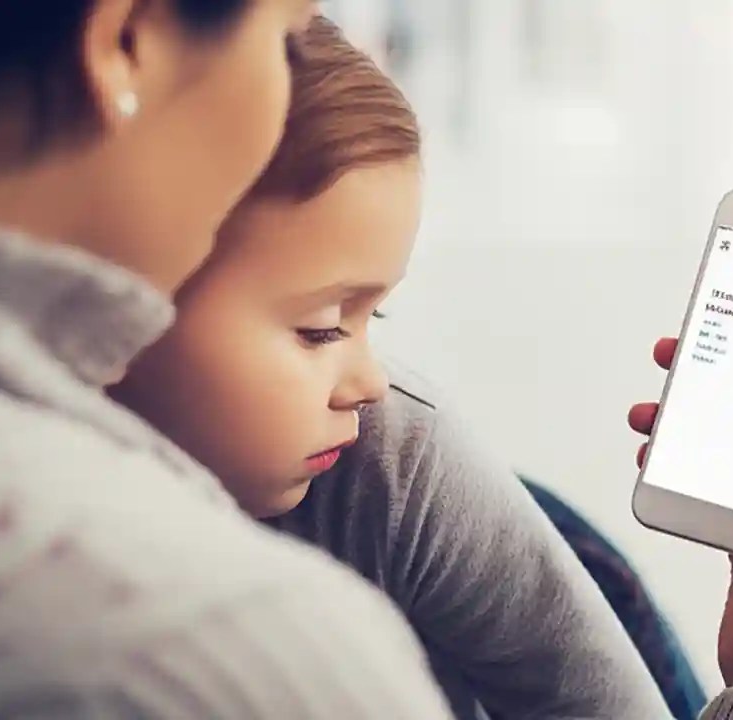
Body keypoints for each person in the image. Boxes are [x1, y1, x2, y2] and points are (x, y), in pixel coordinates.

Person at [0, 2, 733, 719]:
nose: (368, 379)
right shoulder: (238, 646)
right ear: (126, 37)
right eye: (285, 31)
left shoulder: (391, 464)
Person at [111, 18, 671, 718]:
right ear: (119, 299)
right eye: (320, 330)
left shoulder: (392, 463)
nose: (369, 381)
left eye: (372, 318)